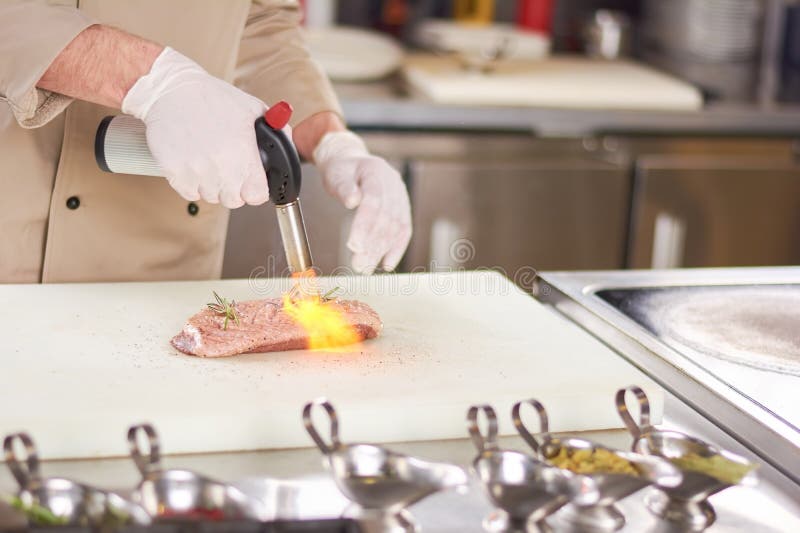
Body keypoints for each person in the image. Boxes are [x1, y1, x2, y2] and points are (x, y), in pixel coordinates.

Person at [0, 0, 412, 283]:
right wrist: (154, 81)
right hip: (14, 244)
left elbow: (262, 26)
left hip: (165, 261)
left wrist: (334, 144)